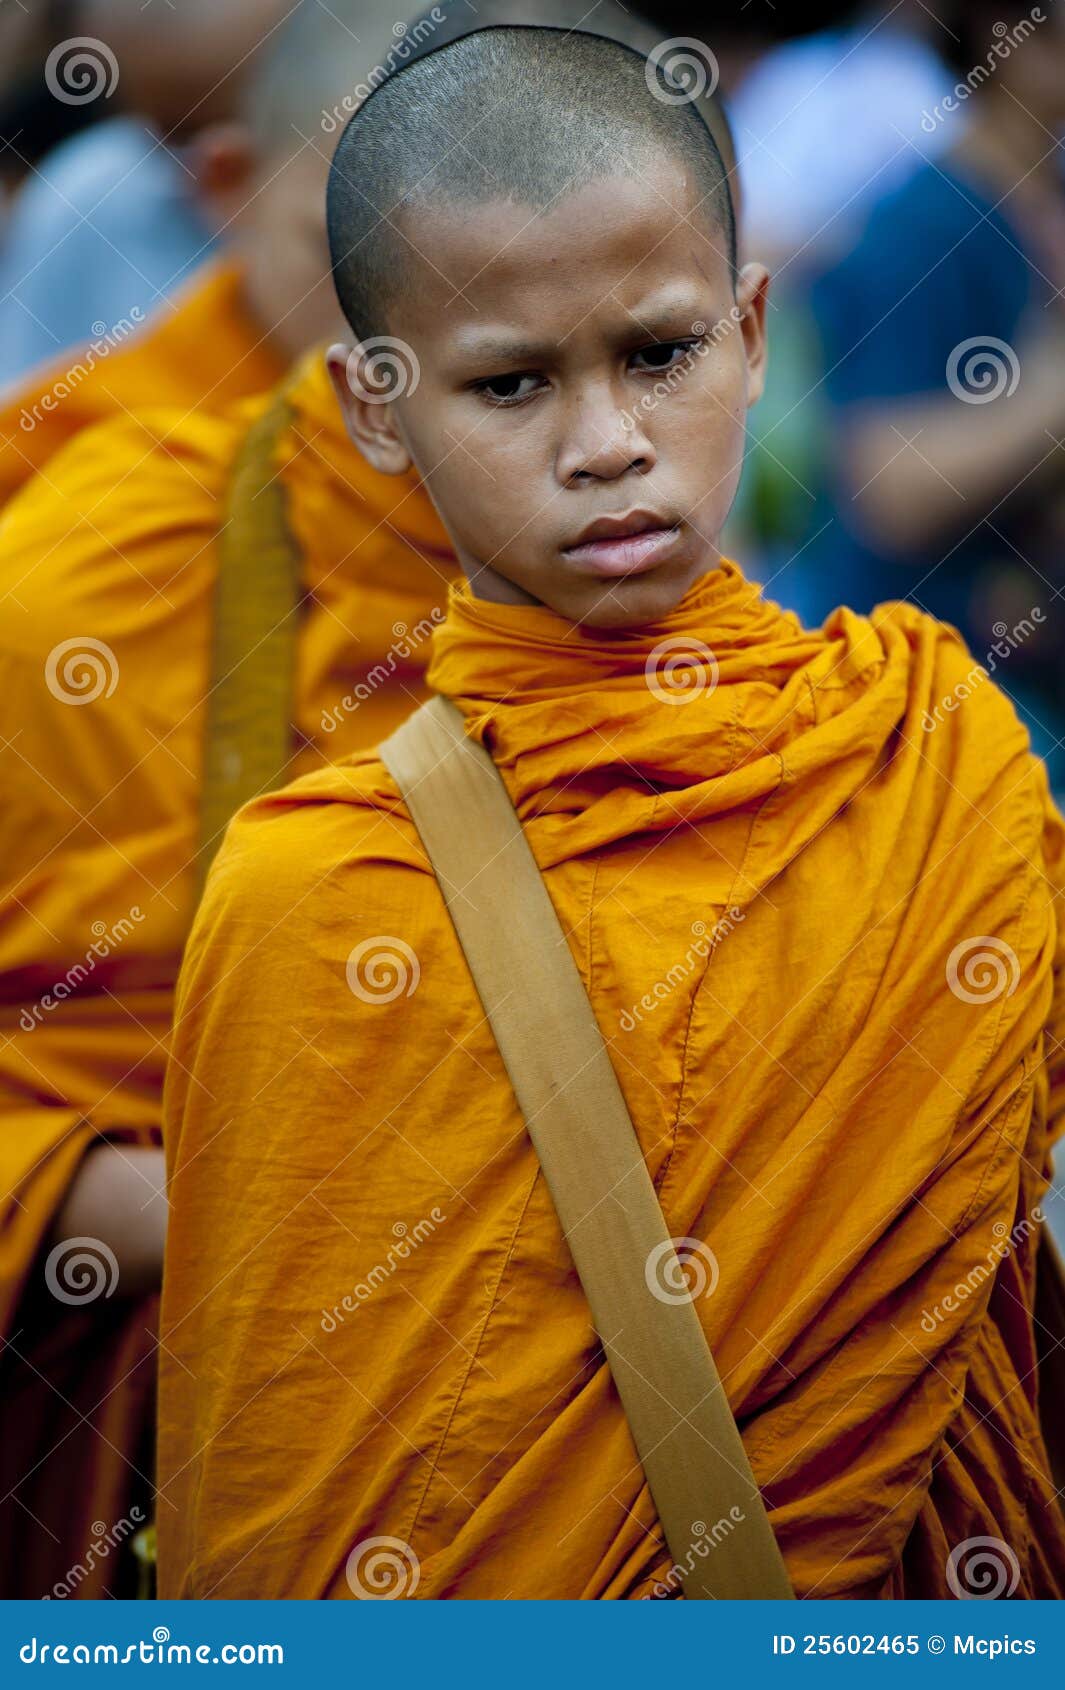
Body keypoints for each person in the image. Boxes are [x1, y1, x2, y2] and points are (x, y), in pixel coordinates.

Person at [157, 26, 1065, 1600]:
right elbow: (287, 1500)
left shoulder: (934, 758)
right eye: (508, 382)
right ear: (377, 406)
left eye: (659, 353)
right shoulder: (319, 891)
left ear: (754, 329)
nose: (607, 448)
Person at [0, 0, 740, 1605]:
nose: (602, 435)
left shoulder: (779, 664)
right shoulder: (83, 568)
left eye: (650, 347)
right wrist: (212, 1203)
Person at [795, 0, 1065, 786]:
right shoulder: (922, 226)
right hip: (928, 689)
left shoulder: (1036, 198)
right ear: (1014, 34)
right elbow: (889, 485)